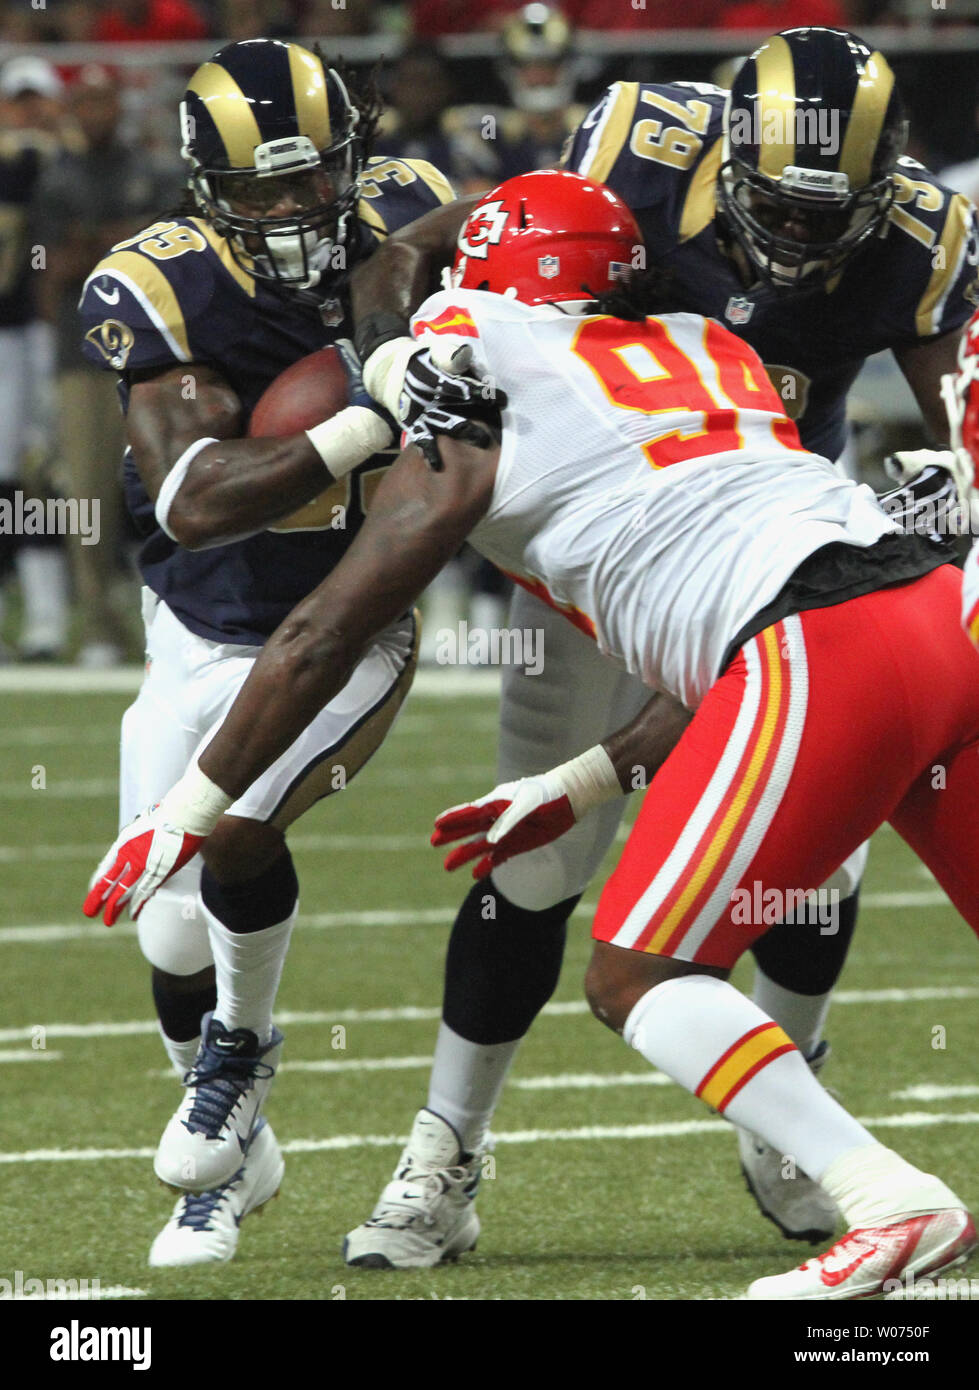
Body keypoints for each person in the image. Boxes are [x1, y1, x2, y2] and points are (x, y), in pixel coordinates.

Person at [84, 169, 979, 1301]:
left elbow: (323, 630)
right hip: (934, 620)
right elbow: (732, 596)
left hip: (810, 648)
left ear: (494, 271)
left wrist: (191, 806)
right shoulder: (711, 345)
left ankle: (885, 1197)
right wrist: (590, 774)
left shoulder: (475, 349)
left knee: (637, 977)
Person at [330, 24, 979, 1266]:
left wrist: (948, 478)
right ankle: (444, 1150)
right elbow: (416, 251)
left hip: (780, 541)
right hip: (602, 548)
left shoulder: (921, 235)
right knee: (537, 863)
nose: (797, 238)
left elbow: (957, 419)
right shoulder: (639, 143)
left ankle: (800, 1132)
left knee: (812, 867)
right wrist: (396, 365)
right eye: (777, 207)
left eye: (827, 212)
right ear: (726, 153)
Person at [76, 38, 454, 1267]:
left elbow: (515, 216)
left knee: (235, 829)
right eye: (261, 190)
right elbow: (193, 499)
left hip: (353, 617)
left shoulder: (404, 206)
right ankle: (243, 1162)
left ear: (353, 158)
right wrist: (366, 411)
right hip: (201, 622)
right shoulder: (156, 285)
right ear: (205, 189)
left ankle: (239, 1055)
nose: (294, 211)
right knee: (164, 929)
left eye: (312, 181)